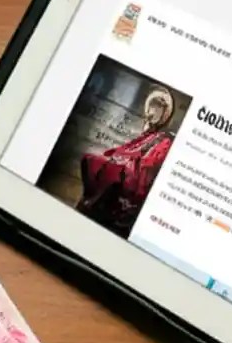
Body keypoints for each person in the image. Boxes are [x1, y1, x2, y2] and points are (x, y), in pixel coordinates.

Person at [76, 86, 177, 237]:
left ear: (165, 115)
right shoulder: (148, 132)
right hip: (127, 163)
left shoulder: (164, 139)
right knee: (96, 163)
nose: (154, 112)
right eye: (153, 108)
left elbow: (148, 162)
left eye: (159, 110)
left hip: (136, 174)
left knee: (113, 174)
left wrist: (128, 161)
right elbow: (129, 149)